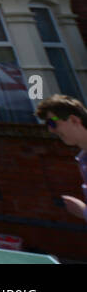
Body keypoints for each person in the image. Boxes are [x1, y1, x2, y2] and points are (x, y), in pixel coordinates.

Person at [36, 94, 87, 223]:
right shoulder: (82, 159)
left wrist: (83, 211)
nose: (51, 130)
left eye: (52, 122)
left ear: (74, 120)